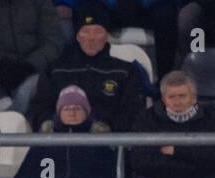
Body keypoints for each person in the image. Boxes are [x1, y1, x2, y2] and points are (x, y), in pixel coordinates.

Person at [29, 1, 146, 131]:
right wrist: (47, 122)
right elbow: (40, 106)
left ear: (106, 36)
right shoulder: (56, 70)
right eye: (86, 31)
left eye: (97, 31)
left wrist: (108, 127)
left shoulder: (125, 71)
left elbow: (132, 112)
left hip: (106, 146)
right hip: (61, 142)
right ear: (78, 36)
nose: (91, 38)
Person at [0, 0, 64, 116]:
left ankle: (14, 127)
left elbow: (53, 42)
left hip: (31, 69)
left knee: (33, 87)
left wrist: (30, 65)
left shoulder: (40, 3)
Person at [128, 70, 215, 178]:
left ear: (193, 97)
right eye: (172, 97)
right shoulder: (147, 119)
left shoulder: (212, 119)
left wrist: (175, 151)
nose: (177, 101)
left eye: (182, 96)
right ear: (164, 99)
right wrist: (192, 159)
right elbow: (140, 162)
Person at [14, 84, 115, 178]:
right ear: (59, 113)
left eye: (78, 108)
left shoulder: (100, 144)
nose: (72, 113)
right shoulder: (42, 144)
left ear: (87, 112)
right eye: (66, 109)